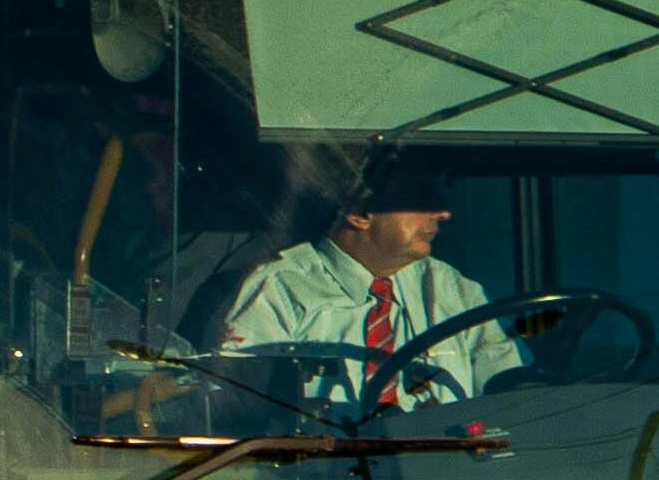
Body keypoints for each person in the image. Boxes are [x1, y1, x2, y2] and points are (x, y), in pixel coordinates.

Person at [217, 152, 516, 414]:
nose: (443, 213)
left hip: (447, 460)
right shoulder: (279, 289)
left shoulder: (454, 290)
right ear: (359, 213)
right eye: (419, 199)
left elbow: (513, 394)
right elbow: (241, 405)